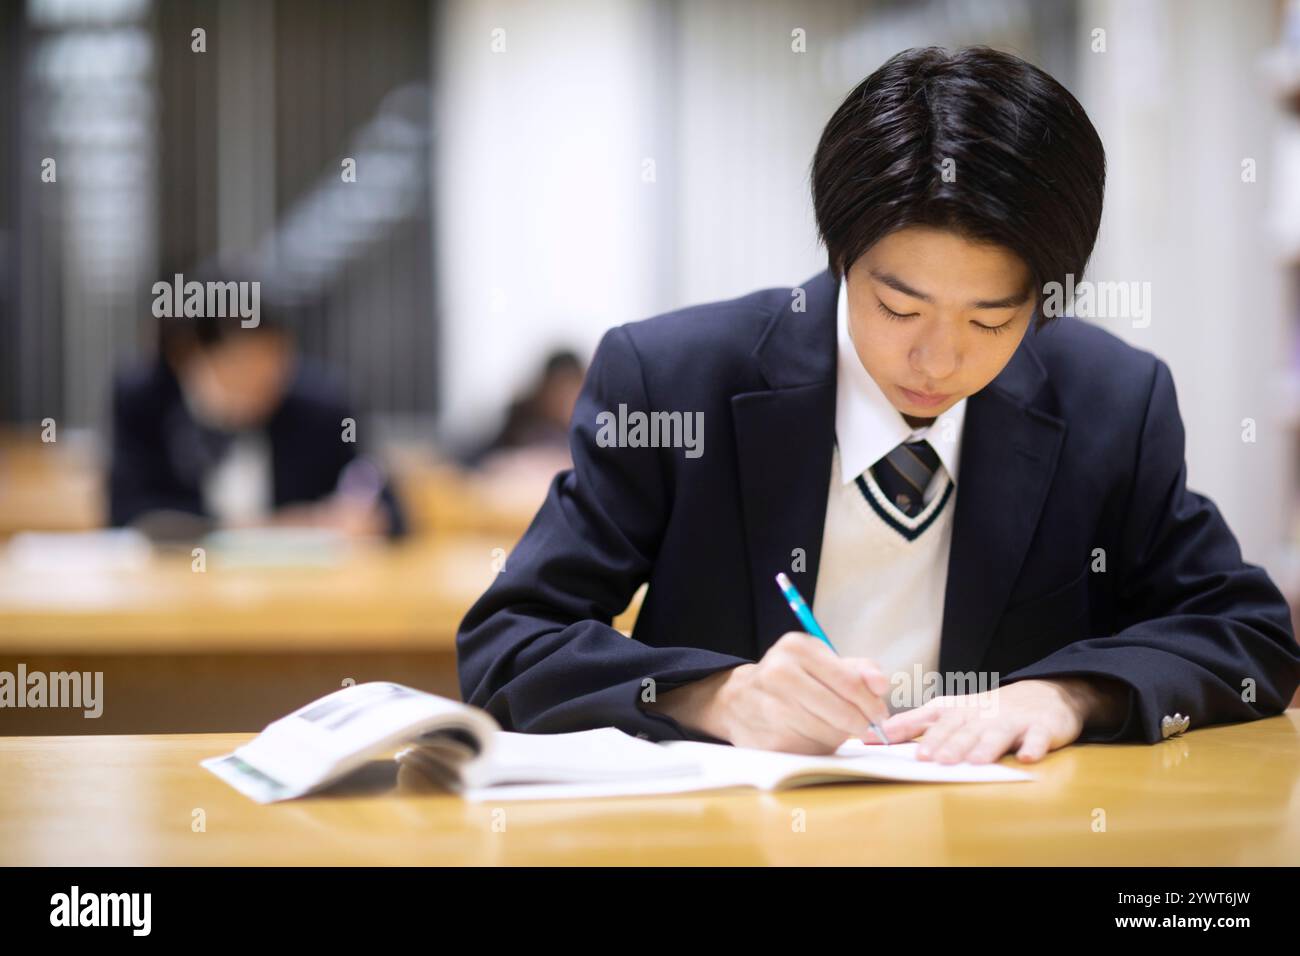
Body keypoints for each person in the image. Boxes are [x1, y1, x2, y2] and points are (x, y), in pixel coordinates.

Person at [456, 47, 1300, 764]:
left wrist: (1069, 696)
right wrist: (716, 696)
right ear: (840, 258)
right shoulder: (674, 381)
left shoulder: (1110, 402)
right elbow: (510, 644)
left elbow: (1249, 636)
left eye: (992, 319)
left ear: (1048, 298)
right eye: (899, 309)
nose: (937, 358)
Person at [108, 283, 406, 540]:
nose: (258, 389)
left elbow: (390, 508)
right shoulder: (144, 402)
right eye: (241, 370)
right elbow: (127, 514)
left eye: (273, 370)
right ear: (188, 355)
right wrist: (255, 528)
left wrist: (366, 519)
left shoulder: (324, 407)